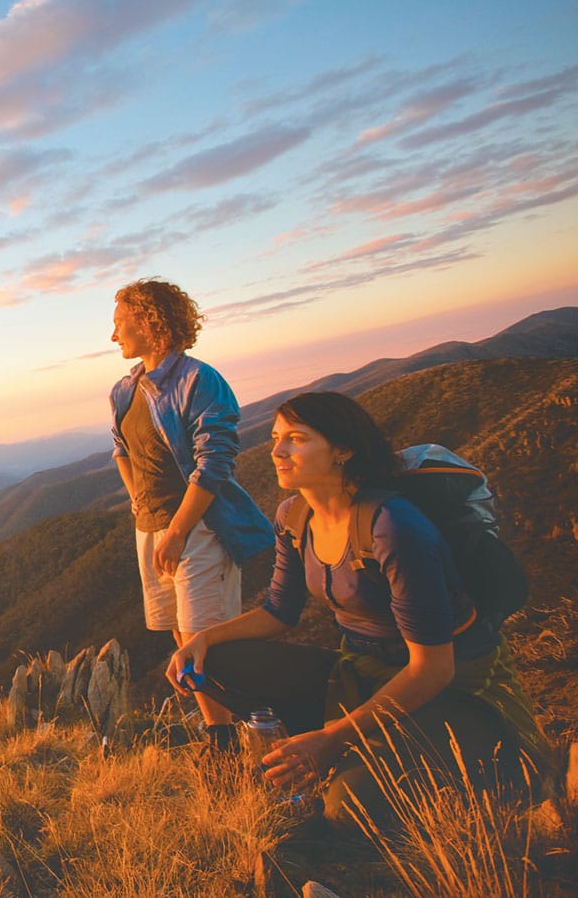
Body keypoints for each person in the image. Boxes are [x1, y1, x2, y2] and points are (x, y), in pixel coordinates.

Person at [167, 392, 548, 829]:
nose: (277, 451)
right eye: (275, 438)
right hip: (361, 675)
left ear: (342, 450)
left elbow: (433, 669)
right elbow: (279, 610)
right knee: (214, 661)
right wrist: (202, 640)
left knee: (348, 807)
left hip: (450, 688)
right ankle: (346, 745)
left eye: (296, 439)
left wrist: (332, 739)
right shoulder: (294, 516)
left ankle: (465, 760)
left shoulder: (392, 527)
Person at [108, 278, 274, 749]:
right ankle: (218, 732)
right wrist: (138, 500)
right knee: (182, 635)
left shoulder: (199, 380)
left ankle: (242, 735)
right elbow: (121, 450)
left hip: (199, 529)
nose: (114, 336)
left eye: (120, 323)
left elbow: (215, 461)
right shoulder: (124, 390)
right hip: (151, 527)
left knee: (207, 636)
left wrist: (179, 529)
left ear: (149, 322)